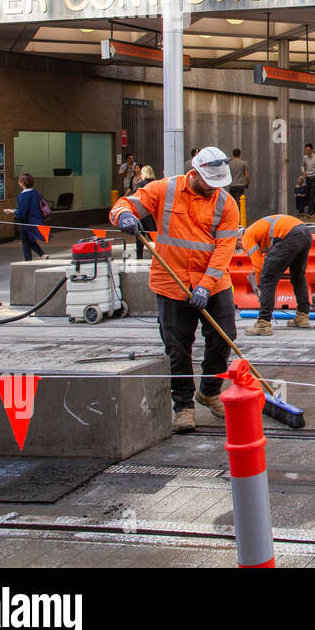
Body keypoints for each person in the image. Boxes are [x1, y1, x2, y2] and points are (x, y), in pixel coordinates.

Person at [110, 147, 241, 435]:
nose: (215, 189)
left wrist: (206, 287)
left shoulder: (226, 203)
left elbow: (224, 250)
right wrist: (124, 217)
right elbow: (124, 205)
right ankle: (183, 406)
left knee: (224, 337)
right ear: (195, 173)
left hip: (213, 283)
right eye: (210, 182)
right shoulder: (163, 190)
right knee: (177, 347)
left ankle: (209, 391)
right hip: (172, 283)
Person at [239, 214, 313, 336]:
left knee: (267, 279)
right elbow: (264, 259)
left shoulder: (246, 237)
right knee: (298, 276)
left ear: (238, 238)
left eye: (239, 247)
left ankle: (263, 323)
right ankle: (303, 315)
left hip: (290, 235)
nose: (242, 248)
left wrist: (259, 286)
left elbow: (258, 266)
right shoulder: (259, 232)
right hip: (305, 234)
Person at [4, 174, 50, 261]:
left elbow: (22, 212)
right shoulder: (36, 193)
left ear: (22, 183)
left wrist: (13, 212)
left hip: (26, 222)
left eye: (19, 181)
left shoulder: (23, 196)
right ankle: (42, 254)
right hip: (37, 220)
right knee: (30, 240)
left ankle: (28, 260)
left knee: (25, 242)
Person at [132, 166, 158, 260]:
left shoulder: (140, 185)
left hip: (142, 214)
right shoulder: (157, 183)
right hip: (154, 214)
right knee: (154, 235)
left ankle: (139, 256)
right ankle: (160, 255)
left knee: (140, 236)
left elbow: (134, 197)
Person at [301, 143, 315, 216]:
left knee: (312, 194)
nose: (307, 151)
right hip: (308, 178)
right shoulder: (305, 158)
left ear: (311, 150)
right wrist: (303, 171)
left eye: (308, 150)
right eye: (306, 150)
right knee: (308, 195)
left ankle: (310, 212)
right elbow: (302, 165)